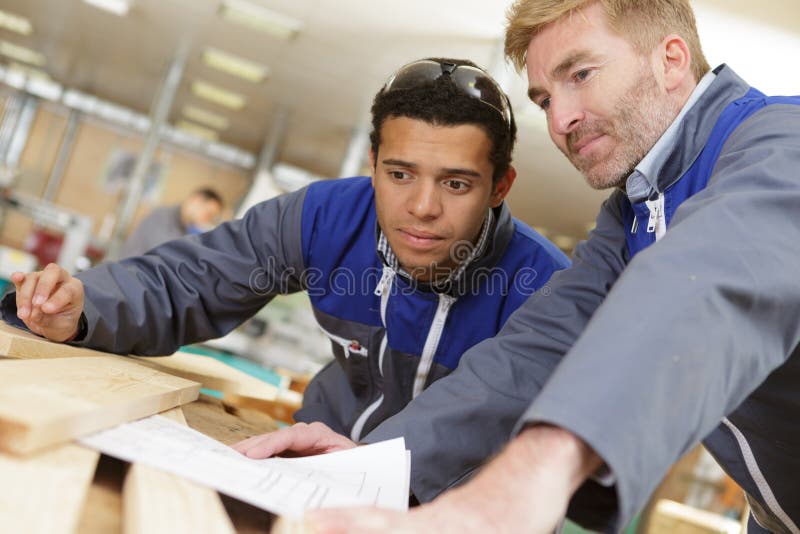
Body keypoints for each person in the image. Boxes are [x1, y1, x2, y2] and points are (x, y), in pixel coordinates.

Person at [239, 2, 800, 533]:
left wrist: (518, 488)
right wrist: (379, 466)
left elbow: (699, 290)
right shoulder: (633, 213)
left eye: (579, 74)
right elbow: (536, 351)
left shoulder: (782, 146)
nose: (561, 120)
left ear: (671, 59)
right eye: (543, 99)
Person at [2, 58, 570, 445]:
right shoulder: (326, 217)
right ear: (371, 165)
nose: (422, 207)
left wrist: (385, 474)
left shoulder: (548, 291)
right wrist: (87, 309)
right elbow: (191, 280)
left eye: (456, 183)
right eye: (400, 174)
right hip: (306, 467)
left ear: (499, 187)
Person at [118, 187, 224, 259]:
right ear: (196, 200)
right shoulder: (161, 216)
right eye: (208, 214)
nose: (207, 220)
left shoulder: (185, 228)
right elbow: (163, 253)